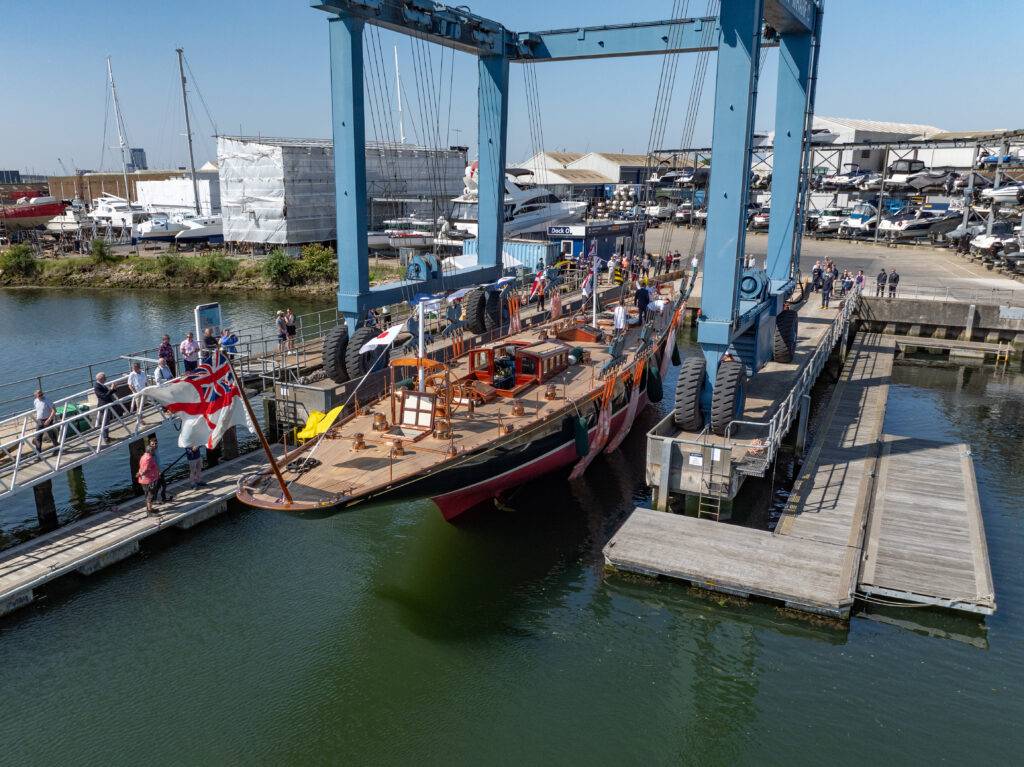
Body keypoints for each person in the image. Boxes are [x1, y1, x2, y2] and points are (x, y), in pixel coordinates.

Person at [93, 372, 119, 442]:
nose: (106, 379)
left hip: (107, 405)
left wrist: (113, 388)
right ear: (100, 379)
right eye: (105, 378)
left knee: (107, 421)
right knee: (105, 422)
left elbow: (108, 394)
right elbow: (104, 396)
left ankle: (106, 436)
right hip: (104, 406)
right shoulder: (97, 386)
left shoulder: (102, 385)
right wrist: (111, 389)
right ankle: (106, 438)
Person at [137, 443, 161, 515]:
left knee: (148, 494)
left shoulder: (143, 456)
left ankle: (149, 509)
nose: (154, 451)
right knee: (150, 495)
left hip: (145, 480)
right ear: (150, 451)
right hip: (148, 480)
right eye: (153, 450)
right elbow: (145, 469)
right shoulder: (149, 458)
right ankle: (149, 512)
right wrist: (141, 473)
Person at [147, 435, 172, 503]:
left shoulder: (156, 449)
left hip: (160, 470)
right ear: (150, 444)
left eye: (156, 443)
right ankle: (154, 499)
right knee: (157, 487)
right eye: (153, 444)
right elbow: (153, 464)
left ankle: (163, 498)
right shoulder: (152, 453)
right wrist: (158, 471)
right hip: (156, 472)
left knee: (163, 486)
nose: (155, 445)